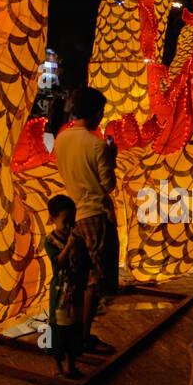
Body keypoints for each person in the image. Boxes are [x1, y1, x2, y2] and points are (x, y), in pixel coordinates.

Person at [53, 85, 117, 353]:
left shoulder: (62, 140)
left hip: (77, 212)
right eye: (101, 111)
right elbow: (108, 185)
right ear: (95, 112)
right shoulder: (97, 145)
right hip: (96, 216)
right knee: (95, 281)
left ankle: (73, 335)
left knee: (78, 279)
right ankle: (84, 337)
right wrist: (111, 157)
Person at [43, 195, 86, 379]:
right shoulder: (51, 241)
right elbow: (58, 263)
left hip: (75, 290)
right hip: (60, 292)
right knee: (58, 326)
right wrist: (69, 247)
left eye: (72, 221)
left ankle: (71, 365)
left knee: (74, 325)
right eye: (65, 221)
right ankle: (56, 365)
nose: (69, 225)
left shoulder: (76, 237)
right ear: (52, 219)